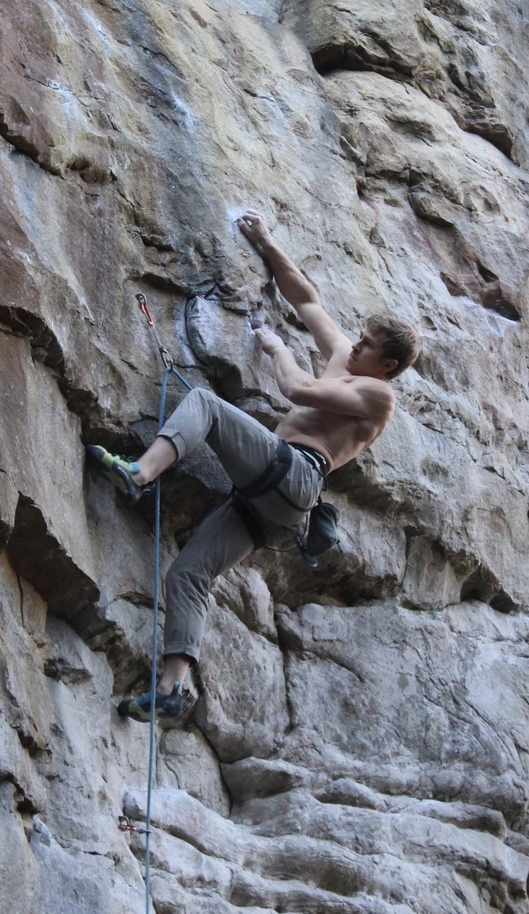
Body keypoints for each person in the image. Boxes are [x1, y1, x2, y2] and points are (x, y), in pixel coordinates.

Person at [86, 211, 421, 720]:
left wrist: (279, 348)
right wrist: (266, 242)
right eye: (360, 336)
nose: (354, 344)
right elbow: (305, 297)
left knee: (203, 404)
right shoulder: (344, 359)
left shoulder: (377, 395)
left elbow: (297, 389)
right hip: (272, 506)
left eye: (367, 344)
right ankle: (174, 686)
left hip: (297, 475)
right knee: (189, 575)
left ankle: (139, 475)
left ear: (388, 365)